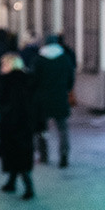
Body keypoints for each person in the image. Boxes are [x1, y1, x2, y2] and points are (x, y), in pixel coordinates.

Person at [31, 33, 76, 167]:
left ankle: (44, 155)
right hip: (60, 97)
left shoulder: (39, 59)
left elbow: (33, 80)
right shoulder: (65, 59)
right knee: (62, 128)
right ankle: (64, 155)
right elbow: (71, 78)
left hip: (42, 99)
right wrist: (66, 89)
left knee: (42, 128)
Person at [0, 52, 35, 199]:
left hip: (16, 126)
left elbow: (14, 105)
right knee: (13, 155)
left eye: (4, 64)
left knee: (19, 157)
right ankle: (11, 182)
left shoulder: (13, 82)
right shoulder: (19, 79)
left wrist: (4, 114)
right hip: (19, 125)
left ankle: (29, 187)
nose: (2, 67)